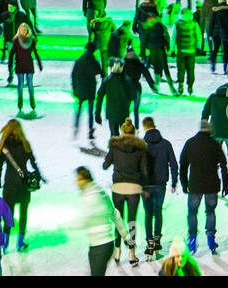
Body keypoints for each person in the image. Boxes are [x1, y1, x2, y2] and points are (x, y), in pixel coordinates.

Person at [102, 119, 150, 267]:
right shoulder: (141, 149)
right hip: (134, 189)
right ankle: (131, 253)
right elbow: (145, 172)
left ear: (122, 132)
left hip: (118, 188)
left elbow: (105, 165)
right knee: (131, 222)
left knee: (118, 220)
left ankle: (117, 251)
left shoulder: (115, 147)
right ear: (134, 133)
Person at [179, 120, 228, 256]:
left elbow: (183, 164)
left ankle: (192, 239)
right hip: (212, 185)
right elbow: (224, 165)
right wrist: (226, 183)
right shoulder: (215, 144)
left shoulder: (190, 143)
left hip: (195, 185)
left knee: (192, 212)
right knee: (210, 212)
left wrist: (184, 183)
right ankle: (211, 239)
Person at [0, 118, 43, 253]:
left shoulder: (4, 145)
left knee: (8, 214)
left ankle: (5, 245)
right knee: (23, 212)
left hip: (9, 182)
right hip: (23, 183)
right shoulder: (25, 143)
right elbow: (33, 162)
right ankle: (20, 242)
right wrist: (39, 175)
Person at [75, 166, 128, 276]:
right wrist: (125, 235)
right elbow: (115, 215)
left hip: (100, 247)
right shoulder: (100, 192)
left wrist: (69, 224)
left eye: (79, 179)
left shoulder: (90, 196)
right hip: (104, 245)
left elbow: (87, 219)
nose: (77, 182)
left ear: (86, 180)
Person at [141, 117, 178, 261]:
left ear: (145, 127)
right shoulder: (166, 144)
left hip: (145, 185)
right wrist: (174, 182)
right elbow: (174, 164)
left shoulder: (142, 145)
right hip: (161, 184)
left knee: (148, 214)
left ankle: (149, 242)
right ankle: (157, 240)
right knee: (158, 212)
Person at [201, 81, 228, 180]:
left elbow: (205, 113)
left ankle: (211, 175)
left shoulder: (213, 97)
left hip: (215, 132)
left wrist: (204, 129)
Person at [94, 61, 133, 147]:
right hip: (123, 113)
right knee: (125, 135)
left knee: (114, 135)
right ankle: (125, 154)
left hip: (111, 113)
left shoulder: (106, 80)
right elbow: (132, 96)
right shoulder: (127, 81)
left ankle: (115, 153)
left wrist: (97, 113)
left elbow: (99, 97)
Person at [7, 23, 43, 114]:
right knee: (20, 84)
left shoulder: (32, 40)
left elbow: (35, 52)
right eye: (21, 29)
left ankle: (32, 100)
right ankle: (20, 101)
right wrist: (10, 65)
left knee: (30, 83)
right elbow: (11, 53)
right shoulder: (16, 40)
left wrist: (39, 64)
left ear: (27, 30)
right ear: (19, 30)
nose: (23, 31)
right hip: (19, 64)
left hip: (29, 64)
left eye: (24, 29)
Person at [71, 41, 103, 141]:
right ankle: (90, 130)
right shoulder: (93, 61)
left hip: (81, 89)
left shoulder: (79, 61)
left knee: (79, 109)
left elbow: (73, 75)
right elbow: (100, 72)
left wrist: (74, 88)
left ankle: (76, 127)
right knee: (90, 111)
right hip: (90, 89)